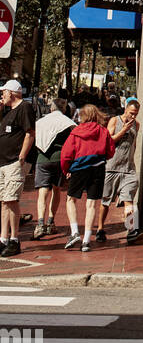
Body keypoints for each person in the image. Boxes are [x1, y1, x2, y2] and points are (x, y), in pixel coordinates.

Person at [59, 105, 120, 251]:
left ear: (83, 116)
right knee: (92, 204)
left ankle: (74, 232)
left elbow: (66, 153)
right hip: (97, 168)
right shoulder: (103, 131)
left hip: (79, 168)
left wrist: (66, 169)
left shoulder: (76, 132)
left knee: (71, 199)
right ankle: (86, 241)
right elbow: (110, 151)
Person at [97, 98, 141, 244]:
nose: (133, 117)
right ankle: (100, 229)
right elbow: (109, 141)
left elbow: (133, 144)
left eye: (135, 114)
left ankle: (131, 229)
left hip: (128, 169)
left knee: (129, 199)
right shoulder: (115, 121)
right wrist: (123, 130)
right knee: (106, 201)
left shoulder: (137, 125)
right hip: (112, 167)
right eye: (131, 113)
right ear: (125, 110)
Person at [0, 79, 36, 257]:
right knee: (4, 201)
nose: (2, 95)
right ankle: (3, 238)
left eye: (3, 92)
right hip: (3, 163)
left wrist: (22, 156)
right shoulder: (7, 112)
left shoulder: (24, 108)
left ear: (12, 92)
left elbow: (30, 133)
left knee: (11, 199)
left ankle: (14, 239)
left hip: (14, 161)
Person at [33, 99, 75, 238]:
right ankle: (51, 222)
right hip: (59, 159)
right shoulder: (67, 122)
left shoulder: (40, 122)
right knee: (56, 190)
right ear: (64, 109)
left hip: (42, 159)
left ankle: (40, 224)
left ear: (51, 108)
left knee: (42, 192)